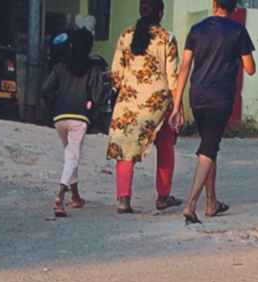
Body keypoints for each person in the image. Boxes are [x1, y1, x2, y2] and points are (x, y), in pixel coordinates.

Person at [169, 0, 255, 225]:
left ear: (213, 3)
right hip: (221, 98)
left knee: (210, 144)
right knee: (208, 148)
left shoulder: (196, 29)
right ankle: (190, 205)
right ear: (235, 7)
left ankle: (211, 203)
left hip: (196, 96)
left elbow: (184, 67)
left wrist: (177, 106)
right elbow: (250, 68)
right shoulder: (238, 30)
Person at [106, 0, 181, 215]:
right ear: (160, 14)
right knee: (165, 146)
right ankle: (163, 196)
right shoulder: (167, 37)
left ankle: (123, 200)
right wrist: (178, 106)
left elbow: (116, 76)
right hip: (159, 102)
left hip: (129, 103)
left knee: (125, 149)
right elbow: (173, 76)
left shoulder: (125, 35)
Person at [40, 27, 104, 218]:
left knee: (70, 155)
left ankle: (75, 197)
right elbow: (99, 97)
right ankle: (60, 195)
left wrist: (53, 107)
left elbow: (45, 90)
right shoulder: (93, 69)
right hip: (79, 118)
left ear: (70, 45)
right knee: (72, 157)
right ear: (90, 48)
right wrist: (113, 92)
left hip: (59, 118)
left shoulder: (60, 67)